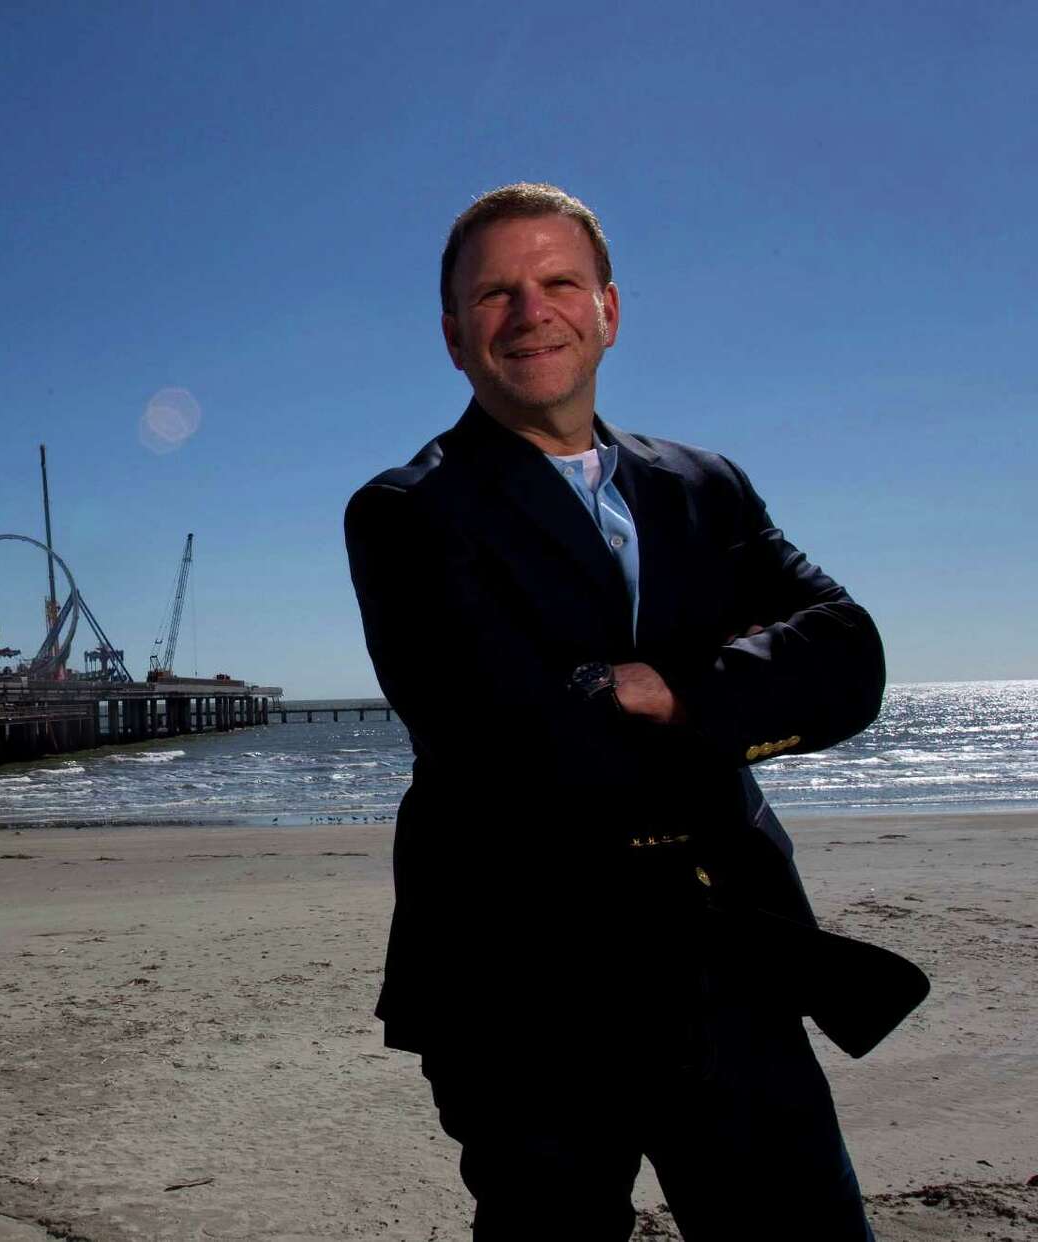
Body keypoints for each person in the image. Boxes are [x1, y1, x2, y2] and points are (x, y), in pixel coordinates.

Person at [344, 183, 926, 1239]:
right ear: (452, 336)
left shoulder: (706, 488)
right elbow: (501, 733)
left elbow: (850, 658)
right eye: (496, 294)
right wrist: (724, 688)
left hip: (731, 952)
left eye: (560, 282)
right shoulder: (407, 513)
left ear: (609, 309)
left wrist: (672, 688)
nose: (532, 313)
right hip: (522, 981)